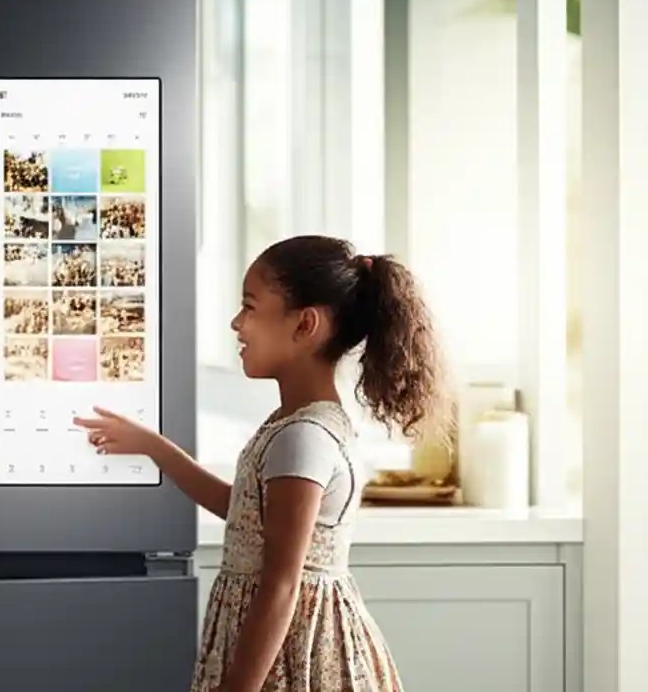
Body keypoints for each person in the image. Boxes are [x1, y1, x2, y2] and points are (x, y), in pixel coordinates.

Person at [76, 235, 452, 691]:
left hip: (292, 655)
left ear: (305, 325)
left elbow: (280, 585)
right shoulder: (297, 425)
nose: (237, 323)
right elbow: (245, 512)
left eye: (250, 307)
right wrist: (155, 447)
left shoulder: (304, 437)